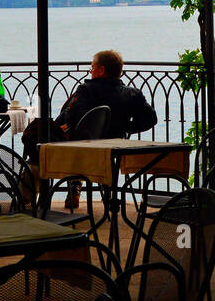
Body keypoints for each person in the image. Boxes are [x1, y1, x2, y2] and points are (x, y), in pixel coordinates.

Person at [49, 50, 157, 209]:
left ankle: (75, 183)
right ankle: (110, 191)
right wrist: (126, 129)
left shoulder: (86, 90)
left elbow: (74, 117)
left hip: (84, 144)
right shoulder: (132, 93)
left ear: (101, 70)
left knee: (65, 138)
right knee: (103, 152)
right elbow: (150, 119)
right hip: (115, 144)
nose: (90, 71)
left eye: (92, 67)